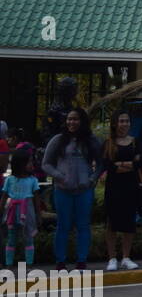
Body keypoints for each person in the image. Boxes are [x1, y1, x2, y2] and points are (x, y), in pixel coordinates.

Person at [41, 106, 100, 271]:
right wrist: (60, 176)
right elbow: (46, 164)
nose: (71, 122)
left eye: (75, 119)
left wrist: (92, 179)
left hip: (84, 191)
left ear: (82, 121)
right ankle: (60, 261)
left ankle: (81, 260)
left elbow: (101, 163)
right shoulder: (58, 140)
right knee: (63, 225)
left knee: (83, 225)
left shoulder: (91, 141)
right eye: (69, 119)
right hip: (62, 191)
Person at [100, 110, 142, 271]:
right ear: (115, 123)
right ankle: (112, 258)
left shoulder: (135, 141)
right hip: (113, 186)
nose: (124, 124)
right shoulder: (108, 143)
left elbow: (139, 163)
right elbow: (108, 165)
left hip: (131, 186)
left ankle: (126, 257)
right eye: (121, 121)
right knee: (112, 223)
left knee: (129, 222)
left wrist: (121, 164)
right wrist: (128, 164)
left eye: (127, 121)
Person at [3, 150, 41, 267]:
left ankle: (29, 263)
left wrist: (38, 215)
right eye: (28, 162)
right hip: (12, 212)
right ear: (19, 164)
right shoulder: (10, 180)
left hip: (27, 211)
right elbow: (4, 197)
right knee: (11, 238)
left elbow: (36, 199)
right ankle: (9, 263)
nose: (31, 165)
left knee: (28, 238)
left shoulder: (32, 180)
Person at [43, 76, 81, 144]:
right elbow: (48, 134)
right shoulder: (53, 111)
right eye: (73, 89)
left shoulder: (72, 108)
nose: (76, 92)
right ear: (66, 90)